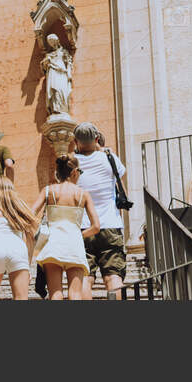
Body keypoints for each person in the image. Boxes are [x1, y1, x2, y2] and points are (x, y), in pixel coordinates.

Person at [71, 122, 128, 299]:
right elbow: (122, 184)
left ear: (75, 141)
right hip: (110, 224)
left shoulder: (72, 162)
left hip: (83, 227)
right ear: (96, 139)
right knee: (113, 277)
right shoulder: (109, 158)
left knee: (85, 278)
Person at [32, 153, 98, 300]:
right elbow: (96, 226)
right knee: (75, 293)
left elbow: (31, 214)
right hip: (74, 243)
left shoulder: (48, 190)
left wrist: (37, 231)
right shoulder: (83, 194)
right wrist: (79, 234)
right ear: (74, 172)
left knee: (55, 293)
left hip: (52, 243)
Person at [0, 177, 41, 301]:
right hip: (18, 249)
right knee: (21, 298)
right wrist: (28, 265)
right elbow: (31, 237)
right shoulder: (20, 209)